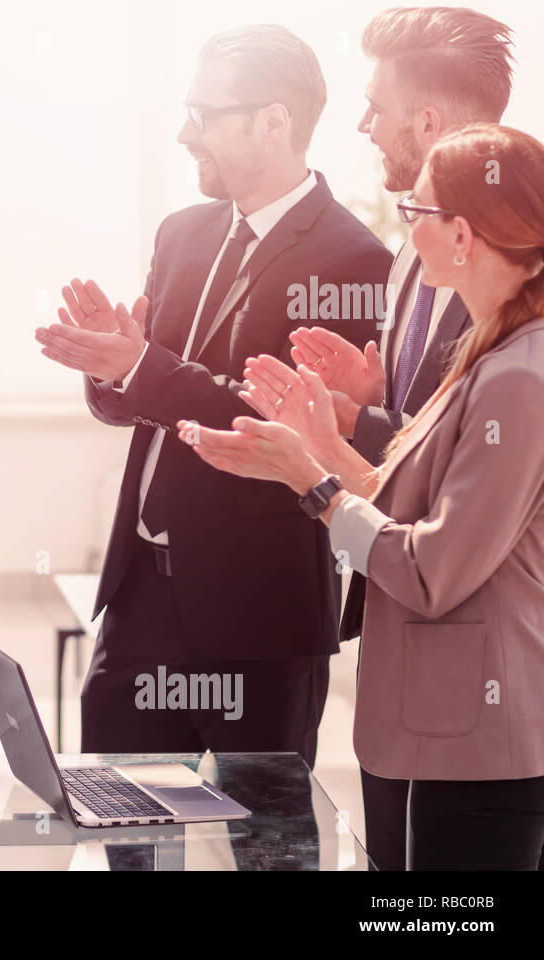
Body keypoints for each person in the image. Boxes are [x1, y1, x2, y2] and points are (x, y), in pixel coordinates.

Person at [181, 123, 544, 871]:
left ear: (464, 236)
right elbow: (401, 502)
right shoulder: (490, 348)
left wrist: (308, 483)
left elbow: (430, 569)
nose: (405, 224)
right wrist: (322, 444)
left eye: (420, 212)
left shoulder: (517, 376)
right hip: (442, 733)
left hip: (478, 744)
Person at [35, 25, 391, 767]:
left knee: (266, 844)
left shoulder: (355, 259)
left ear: (274, 121)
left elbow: (279, 428)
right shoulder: (182, 235)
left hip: (259, 615)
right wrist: (111, 367)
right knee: (125, 828)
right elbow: (138, 404)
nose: (182, 133)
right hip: (140, 604)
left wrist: (142, 364)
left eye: (203, 113)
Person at [282, 5, 514, 871]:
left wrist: (316, 460)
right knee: (401, 888)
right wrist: (364, 405)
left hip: (479, 660)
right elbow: (425, 429)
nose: (361, 123)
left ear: (429, 121)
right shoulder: (411, 253)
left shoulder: (508, 266)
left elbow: (474, 462)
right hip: (402, 637)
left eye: (375, 105)